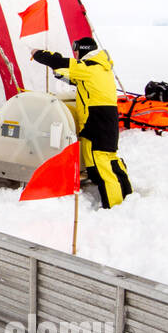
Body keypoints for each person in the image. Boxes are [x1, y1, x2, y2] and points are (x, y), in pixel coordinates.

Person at [32, 35, 133, 208]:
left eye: (77, 51)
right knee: (108, 159)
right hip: (105, 120)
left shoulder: (90, 66)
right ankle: (127, 194)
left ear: (84, 50)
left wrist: (38, 54)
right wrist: (59, 75)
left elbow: (61, 62)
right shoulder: (100, 69)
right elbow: (75, 78)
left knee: (101, 165)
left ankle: (114, 206)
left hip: (96, 122)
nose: (76, 54)